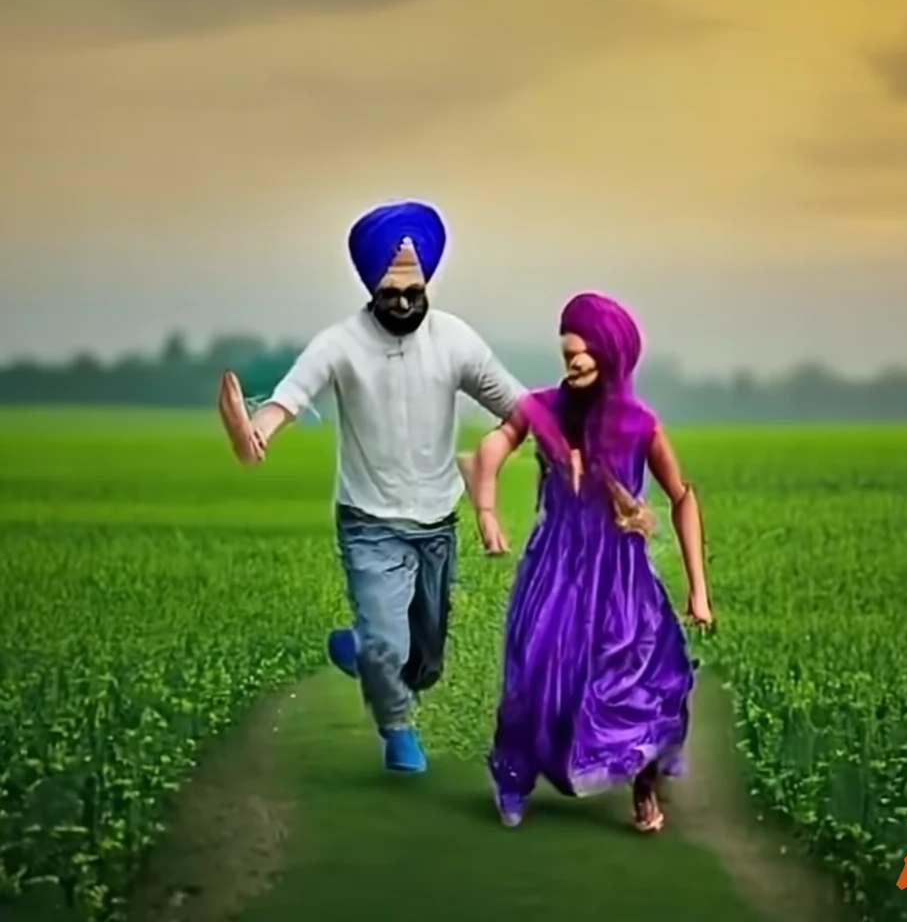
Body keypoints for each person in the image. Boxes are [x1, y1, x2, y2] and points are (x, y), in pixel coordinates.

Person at [217, 199, 524, 774]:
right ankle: (398, 731)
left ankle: (364, 654)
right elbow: (289, 398)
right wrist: (253, 432)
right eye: (391, 294)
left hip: (437, 522)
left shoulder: (455, 340)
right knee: (390, 647)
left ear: (427, 282)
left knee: (425, 663)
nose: (403, 304)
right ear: (370, 289)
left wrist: (574, 432)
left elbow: (517, 404)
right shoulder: (340, 344)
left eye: (414, 292)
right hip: (369, 521)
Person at [461, 291, 713, 832]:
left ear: (612, 356)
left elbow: (682, 497)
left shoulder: (640, 425)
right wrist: (485, 509)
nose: (572, 362)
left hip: (622, 579)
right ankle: (514, 780)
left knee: (643, 679)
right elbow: (494, 445)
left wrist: (699, 589)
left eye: (583, 353)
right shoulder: (542, 407)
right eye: (567, 352)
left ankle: (644, 789)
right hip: (554, 573)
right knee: (534, 673)